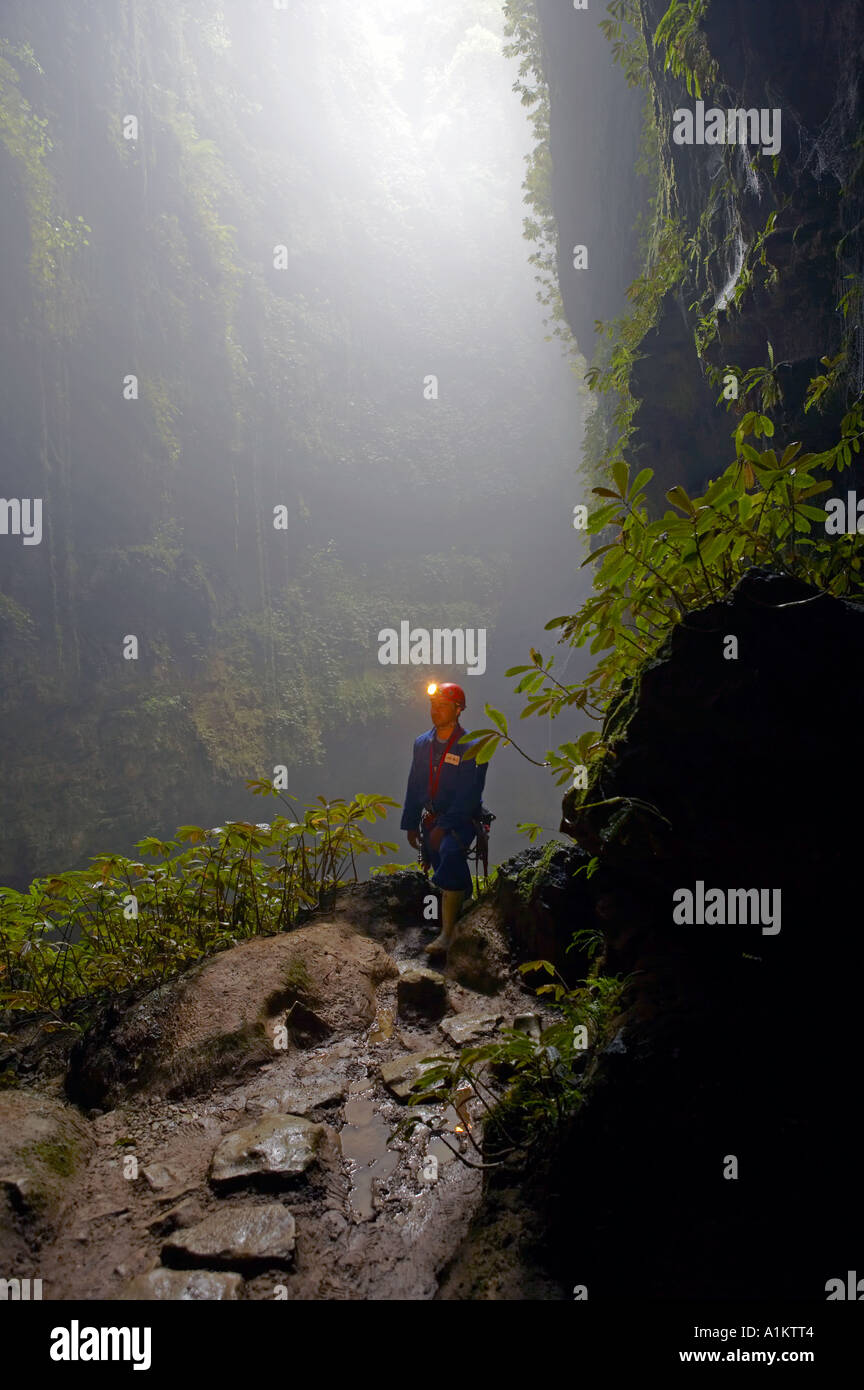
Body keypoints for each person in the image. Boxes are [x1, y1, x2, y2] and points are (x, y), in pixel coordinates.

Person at [400, 681, 488, 958]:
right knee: (438, 859)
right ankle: (466, 901)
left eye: (442, 706)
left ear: (458, 710)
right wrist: (411, 822)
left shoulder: (471, 746)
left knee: (450, 852)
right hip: (431, 817)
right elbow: (414, 784)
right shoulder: (422, 744)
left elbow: (469, 794)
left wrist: (445, 826)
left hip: (462, 819)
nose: (435, 711)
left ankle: (447, 935)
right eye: (433, 706)